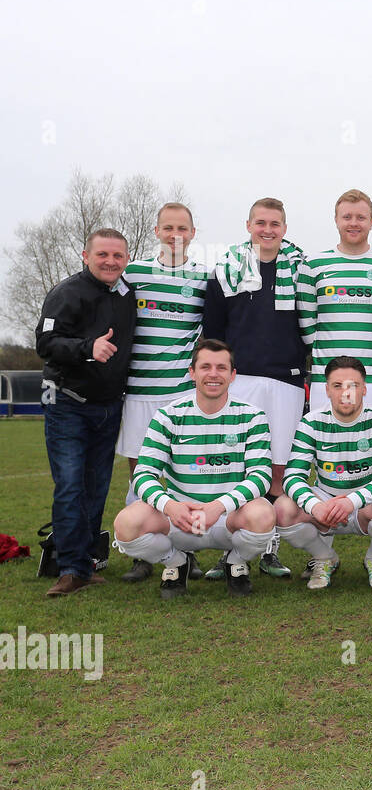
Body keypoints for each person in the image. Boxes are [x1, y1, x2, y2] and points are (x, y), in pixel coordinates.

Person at [111, 339, 274, 598]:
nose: (213, 374)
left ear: (233, 375)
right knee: (127, 523)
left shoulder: (252, 416)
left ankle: (235, 563)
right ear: (192, 372)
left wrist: (217, 506)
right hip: (180, 520)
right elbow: (143, 476)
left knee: (264, 514)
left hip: (229, 519)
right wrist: (170, 506)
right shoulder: (168, 415)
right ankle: (176, 563)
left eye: (221, 368)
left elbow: (261, 477)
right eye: (205, 366)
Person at [204, 197, 311, 577]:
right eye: (261, 223)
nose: (268, 230)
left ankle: (268, 548)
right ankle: (231, 547)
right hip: (242, 379)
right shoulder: (226, 271)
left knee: (279, 471)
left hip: (287, 379)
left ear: (284, 228)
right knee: (238, 469)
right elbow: (213, 332)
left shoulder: (302, 270)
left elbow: (310, 328)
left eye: (275, 224)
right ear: (248, 225)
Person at [36, 228, 137, 596]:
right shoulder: (66, 293)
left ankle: (86, 562)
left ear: (126, 259)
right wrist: (86, 347)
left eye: (117, 256)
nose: (110, 262)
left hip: (109, 406)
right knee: (70, 485)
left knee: (96, 487)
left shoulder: (127, 293)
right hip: (68, 404)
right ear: (85, 256)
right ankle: (70, 567)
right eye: (102, 255)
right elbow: (44, 342)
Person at [116, 204, 210, 584]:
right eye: (168, 227)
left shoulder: (203, 278)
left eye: (182, 228)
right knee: (141, 470)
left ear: (192, 232)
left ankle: (185, 548)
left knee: (181, 471)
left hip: (180, 392)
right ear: (156, 230)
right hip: (139, 389)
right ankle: (143, 551)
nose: (175, 234)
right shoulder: (134, 273)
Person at [276, 356, 372, 590]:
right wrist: (316, 506)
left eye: (353, 385)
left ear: (364, 388)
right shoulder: (311, 422)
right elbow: (292, 477)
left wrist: (350, 502)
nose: (346, 393)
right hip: (325, 501)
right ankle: (325, 557)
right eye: (338, 386)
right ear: (326, 390)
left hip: (365, 504)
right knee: (282, 509)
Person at [299, 189, 372, 424]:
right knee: (327, 454)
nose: (354, 223)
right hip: (327, 379)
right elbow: (308, 327)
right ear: (336, 220)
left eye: (361, 217)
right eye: (347, 217)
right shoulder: (313, 266)